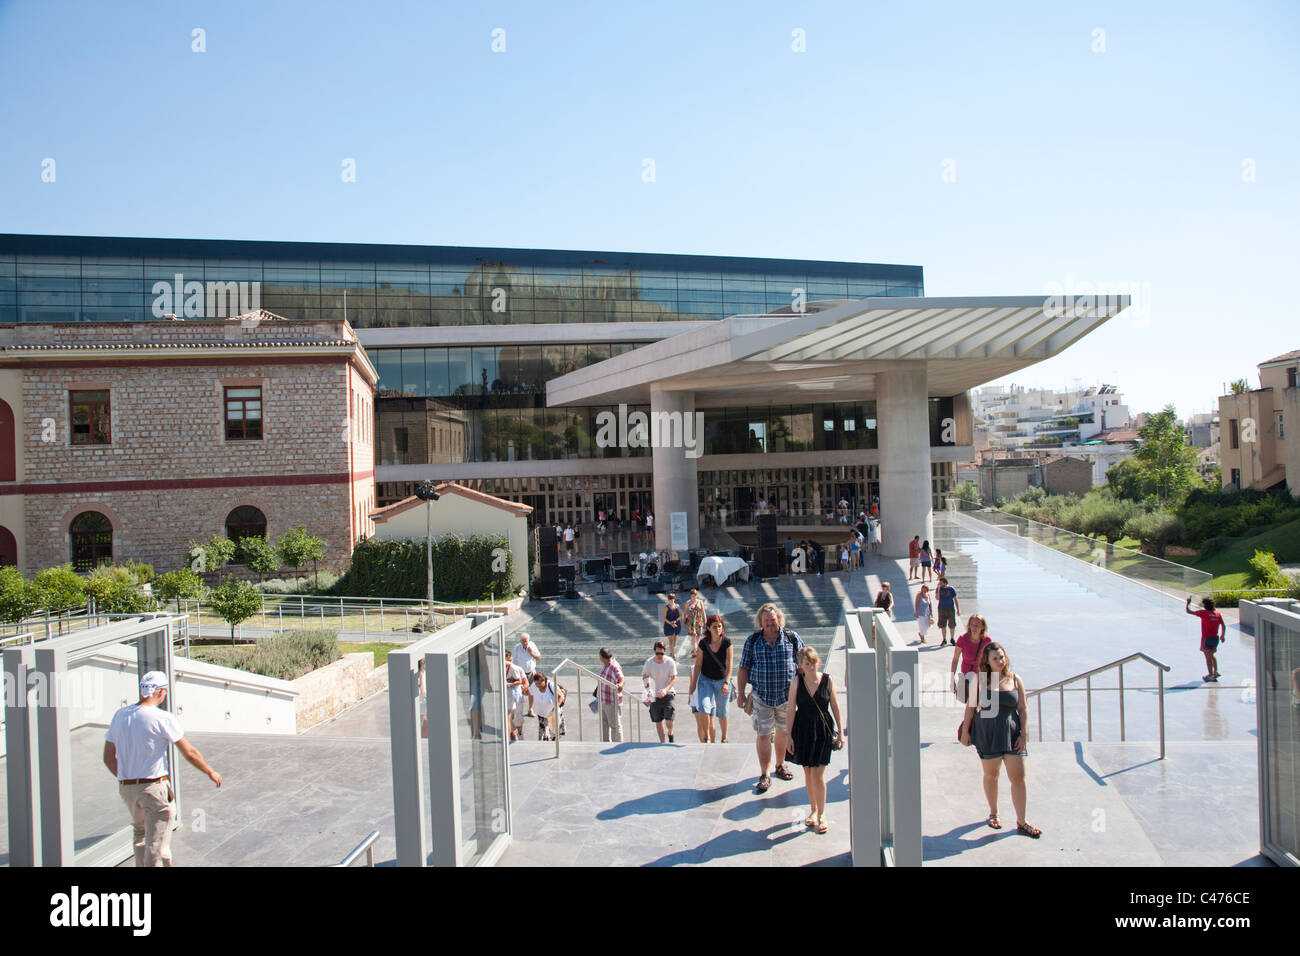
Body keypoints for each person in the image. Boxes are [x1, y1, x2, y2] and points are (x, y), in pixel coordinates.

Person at [102, 671, 222, 867]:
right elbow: (189, 752)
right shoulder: (162, 718)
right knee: (156, 845)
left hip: (127, 789)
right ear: (161, 692)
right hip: (154, 790)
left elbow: (108, 758)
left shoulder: (120, 716)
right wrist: (210, 771)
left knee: (140, 835)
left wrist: (129, 780)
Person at [959, 642, 1041, 838]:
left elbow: (1023, 708)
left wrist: (1024, 734)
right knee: (991, 775)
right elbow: (970, 707)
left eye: (1002, 657)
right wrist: (965, 733)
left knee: (1019, 778)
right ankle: (993, 813)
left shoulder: (1015, 679)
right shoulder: (980, 680)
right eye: (995, 658)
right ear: (987, 661)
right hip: (988, 733)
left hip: (1013, 734)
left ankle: (1022, 822)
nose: (1000, 661)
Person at [736, 603, 803, 793]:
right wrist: (741, 694)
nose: (769, 623)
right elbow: (743, 668)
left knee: (783, 731)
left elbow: (803, 664)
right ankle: (764, 773)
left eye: (772, 619)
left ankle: (780, 765)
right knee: (763, 734)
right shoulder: (753, 641)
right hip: (762, 696)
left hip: (787, 697)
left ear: (779, 619)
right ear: (760, 622)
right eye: (766, 620)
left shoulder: (792, 638)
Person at [783, 646, 844, 834]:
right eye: (807, 664)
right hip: (803, 729)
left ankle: (822, 814)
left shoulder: (827, 680)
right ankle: (813, 809)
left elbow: (834, 705)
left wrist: (841, 732)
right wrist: (789, 735)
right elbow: (791, 709)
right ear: (800, 665)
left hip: (822, 729)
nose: (811, 667)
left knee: (818, 774)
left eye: (814, 663)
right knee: (808, 773)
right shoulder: (796, 682)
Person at [691, 614, 733, 742]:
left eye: (719, 626)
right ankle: (707, 737)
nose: (717, 629)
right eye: (714, 627)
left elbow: (729, 665)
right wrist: (693, 684)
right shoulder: (703, 643)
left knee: (722, 711)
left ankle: (724, 737)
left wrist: (726, 682)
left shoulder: (726, 642)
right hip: (706, 679)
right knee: (704, 707)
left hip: (721, 679)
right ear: (708, 628)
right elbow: (698, 664)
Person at [950, 614, 992, 703]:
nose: (974, 628)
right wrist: (952, 678)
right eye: (972, 625)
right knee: (970, 704)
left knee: (980, 705)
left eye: (977, 625)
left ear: (983, 627)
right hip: (967, 678)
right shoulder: (962, 639)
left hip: (982, 678)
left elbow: (990, 661)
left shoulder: (987, 641)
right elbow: (955, 659)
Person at [642, 640, 678, 742]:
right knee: (658, 721)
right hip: (654, 695)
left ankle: (670, 732)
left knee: (669, 719)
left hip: (668, 694)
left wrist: (666, 689)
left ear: (664, 652)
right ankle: (662, 743)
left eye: (661, 653)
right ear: (654, 652)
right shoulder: (649, 662)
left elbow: (674, 678)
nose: (659, 655)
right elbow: (645, 676)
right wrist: (648, 689)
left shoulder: (670, 662)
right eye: (657, 653)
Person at [1186, 596, 1226, 682]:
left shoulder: (1203, 613)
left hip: (1206, 638)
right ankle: (1216, 672)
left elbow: (1188, 611)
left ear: (1205, 606)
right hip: (1215, 638)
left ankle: (1210, 675)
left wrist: (1188, 603)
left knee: (1207, 658)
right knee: (1212, 655)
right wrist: (1222, 635)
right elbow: (1223, 625)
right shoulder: (1217, 614)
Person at [597, 647, 625, 742]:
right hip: (604, 700)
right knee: (604, 725)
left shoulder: (614, 666)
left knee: (615, 726)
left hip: (612, 702)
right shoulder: (606, 665)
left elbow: (621, 678)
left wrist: (620, 684)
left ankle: (617, 745)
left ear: (602, 657)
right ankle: (605, 743)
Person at [531, 671, 566, 740]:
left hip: (552, 713)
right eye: (536, 683)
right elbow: (528, 692)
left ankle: (554, 743)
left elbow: (561, 696)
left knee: (553, 733)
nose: (538, 685)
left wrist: (556, 707)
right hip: (541, 714)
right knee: (543, 736)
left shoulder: (551, 685)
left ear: (544, 680)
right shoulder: (534, 686)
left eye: (540, 683)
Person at [513, 632, 542, 712]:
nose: (525, 643)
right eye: (523, 641)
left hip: (531, 672)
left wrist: (531, 653)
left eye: (526, 641)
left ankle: (530, 709)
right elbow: (513, 661)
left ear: (529, 641)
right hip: (521, 673)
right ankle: (519, 710)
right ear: (520, 641)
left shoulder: (532, 645)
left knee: (532, 691)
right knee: (520, 691)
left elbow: (538, 657)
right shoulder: (516, 648)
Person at [505, 650, 529, 741]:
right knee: (510, 720)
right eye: (508, 660)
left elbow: (524, 681)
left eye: (511, 660)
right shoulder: (500, 668)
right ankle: (512, 738)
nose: (510, 662)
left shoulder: (517, 668)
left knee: (518, 719)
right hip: (508, 698)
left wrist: (524, 687)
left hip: (517, 698)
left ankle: (520, 734)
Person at [935, 575, 961, 646]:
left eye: (941, 583)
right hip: (941, 609)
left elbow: (955, 599)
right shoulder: (938, 589)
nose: (940, 584)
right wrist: (939, 589)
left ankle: (952, 638)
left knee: (952, 625)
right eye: (939, 583)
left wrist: (958, 610)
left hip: (950, 609)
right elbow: (937, 598)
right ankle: (944, 639)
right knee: (943, 625)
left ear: (945, 582)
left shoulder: (951, 589)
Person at [683, 589, 707, 657]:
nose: (693, 597)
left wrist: (705, 620)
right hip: (691, 621)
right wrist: (684, 621)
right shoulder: (688, 602)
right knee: (693, 635)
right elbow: (685, 612)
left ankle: (696, 649)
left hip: (699, 620)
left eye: (694, 595)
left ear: (696, 595)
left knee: (698, 636)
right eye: (692, 595)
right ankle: (695, 650)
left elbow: (703, 611)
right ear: (690, 595)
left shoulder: (700, 602)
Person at [662, 592, 683, 659]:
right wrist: (671, 623)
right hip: (668, 625)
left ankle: (671, 651)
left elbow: (680, 616)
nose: (671, 600)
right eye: (670, 599)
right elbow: (664, 618)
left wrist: (676, 621)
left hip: (676, 624)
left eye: (672, 598)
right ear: (668, 599)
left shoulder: (677, 606)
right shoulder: (666, 607)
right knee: (670, 640)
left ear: (674, 599)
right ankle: (673, 655)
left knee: (674, 641)